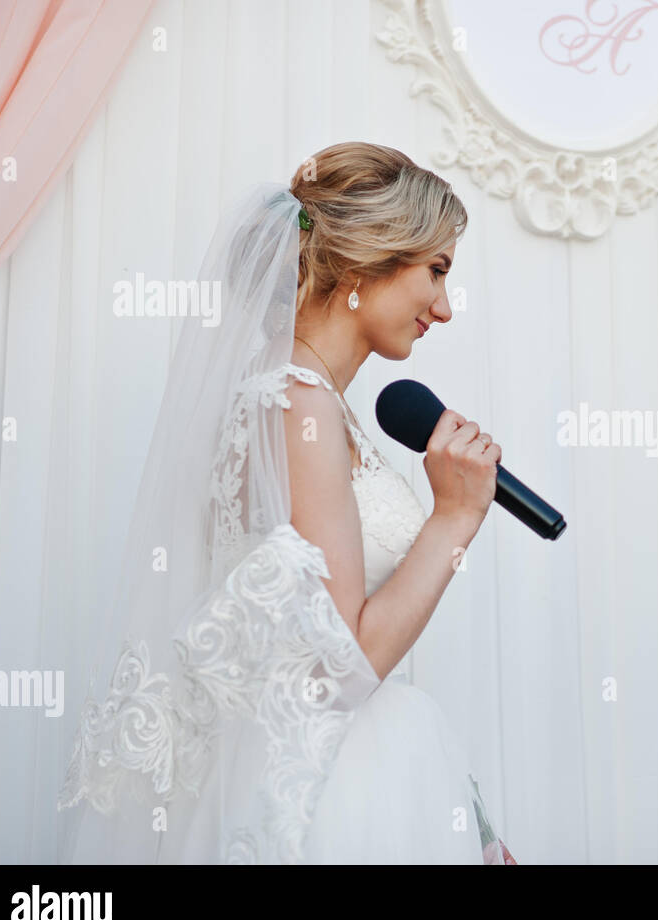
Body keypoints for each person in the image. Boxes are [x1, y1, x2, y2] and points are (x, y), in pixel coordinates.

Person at [57, 142, 515, 864]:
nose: (446, 308)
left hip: (355, 765)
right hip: (330, 788)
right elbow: (345, 662)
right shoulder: (296, 401)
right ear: (368, 261)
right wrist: (455, 517)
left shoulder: (306, 396)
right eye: (437, 270)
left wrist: (469, 814)